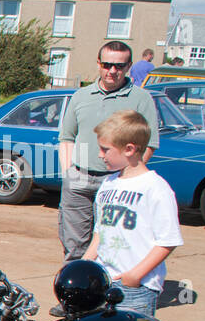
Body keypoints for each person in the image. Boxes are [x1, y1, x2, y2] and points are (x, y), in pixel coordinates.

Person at [82, 110, 183, 321]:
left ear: (129, 149)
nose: (100, 155)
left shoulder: (156, 188)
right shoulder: (108, 184)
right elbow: (101, 231)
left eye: (105, 149)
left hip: (135, 289)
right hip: (103, 281)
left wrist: (135, 276)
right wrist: (85, 263)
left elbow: (167, 240)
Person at [56, 40, 158, 262]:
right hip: (79, 180)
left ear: (129, 66)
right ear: (99, 63)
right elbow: (66, 138)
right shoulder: (80, 96)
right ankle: (76, 292)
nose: (113, 71)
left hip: (116, 182)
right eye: (108, 64)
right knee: (75, 247)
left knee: (112, 244)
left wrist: (127, 180)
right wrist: (69, 174)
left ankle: (106, 291)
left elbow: (149, 144)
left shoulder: (141, 99)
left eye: (119, 66)